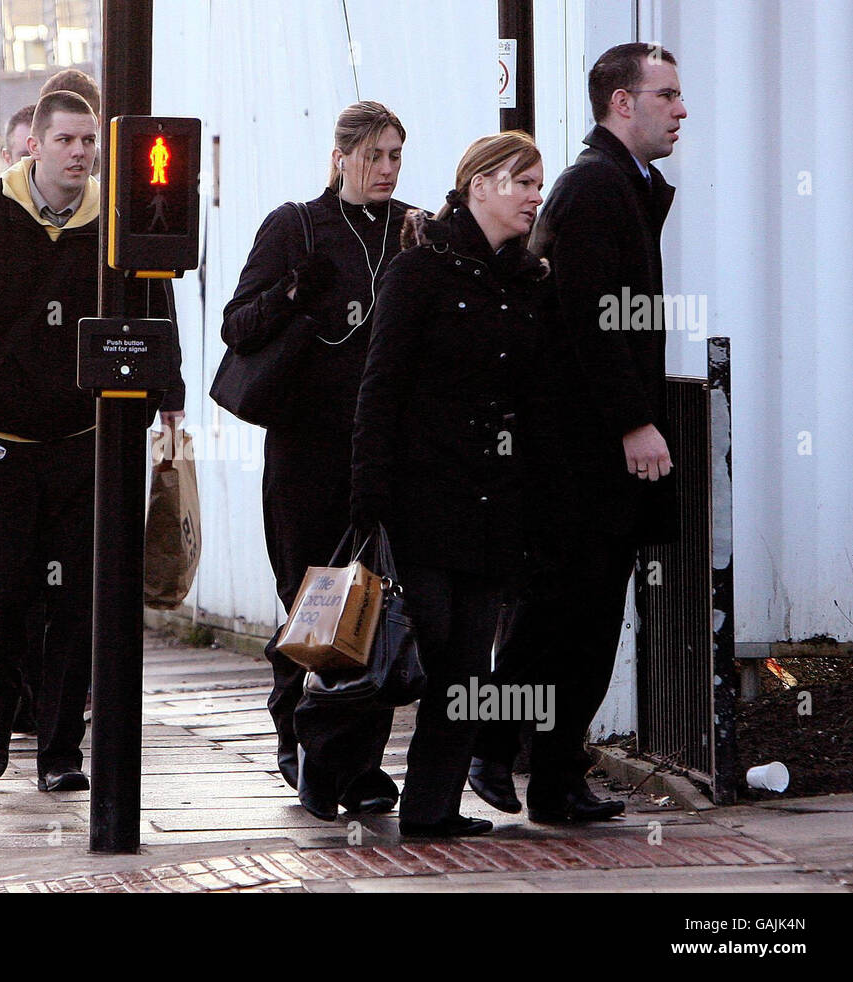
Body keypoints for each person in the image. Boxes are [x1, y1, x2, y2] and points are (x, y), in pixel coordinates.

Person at [0, 90, 185, 793]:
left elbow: (156, 310)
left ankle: (62, 748)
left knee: (76, 599)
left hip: (85, 441)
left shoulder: (119, 221)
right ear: (33, 144)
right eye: (66, 140)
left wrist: (166, 397)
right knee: (4, 589)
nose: (80, 153)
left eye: (90, 141)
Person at [469, 43, 685, 823]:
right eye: (666, 95)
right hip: (581, 456)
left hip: (588, 452)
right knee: (565, 614)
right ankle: (496, 747)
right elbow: (593, 323)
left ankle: (555, 777)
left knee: (586, 620)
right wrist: (635, 422)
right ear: (622, 104)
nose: (681, 109)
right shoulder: (594, 187)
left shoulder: (622, 186)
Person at [352, 130, 550, 837]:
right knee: (410, 651)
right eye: (522, 182)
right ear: (480, 187)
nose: (535, 196)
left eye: (538, 183)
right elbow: (379, 389)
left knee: (468, 667)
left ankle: (431, 809)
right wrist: (368, 496)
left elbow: (537, 402)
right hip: (420, 498)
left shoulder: (530, 281)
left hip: (496, 504)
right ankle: (328, 759)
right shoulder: (419, 272)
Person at [219, 101, 411, 817]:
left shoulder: (410, 229)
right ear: (340, 158)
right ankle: (295, 725)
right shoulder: (296, 224)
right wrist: (295, 290)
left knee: (374, 604)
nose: (387, 169)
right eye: (374, 155)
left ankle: (356, 768)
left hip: (381, 451)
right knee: (313, 603)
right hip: (305, 449)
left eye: (396, 155)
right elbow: (236, 324)